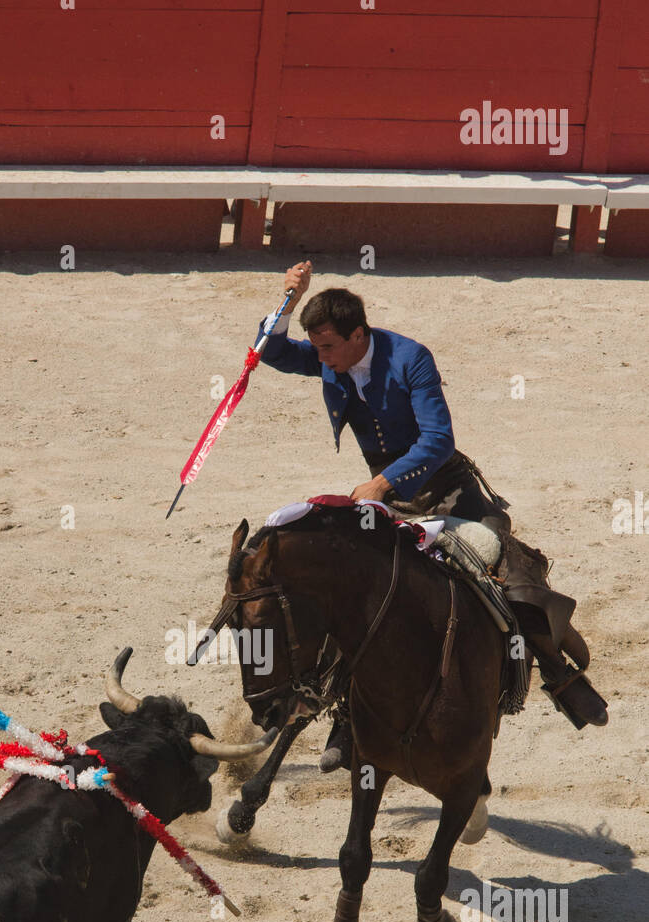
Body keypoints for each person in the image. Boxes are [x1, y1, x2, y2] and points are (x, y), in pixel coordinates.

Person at [257, 261, 608, 771]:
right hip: (386, 498)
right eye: (318, 348)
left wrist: (381, 483)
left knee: (510, 576)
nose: (321, 357)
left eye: (328, 346)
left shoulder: (409, 358)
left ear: (358, 335)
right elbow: (269, 351)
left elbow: (438, 439)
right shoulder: (331, 359)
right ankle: (344, 715)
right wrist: (287, 300)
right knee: (352, 590)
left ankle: (563, 677)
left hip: (445, 491)